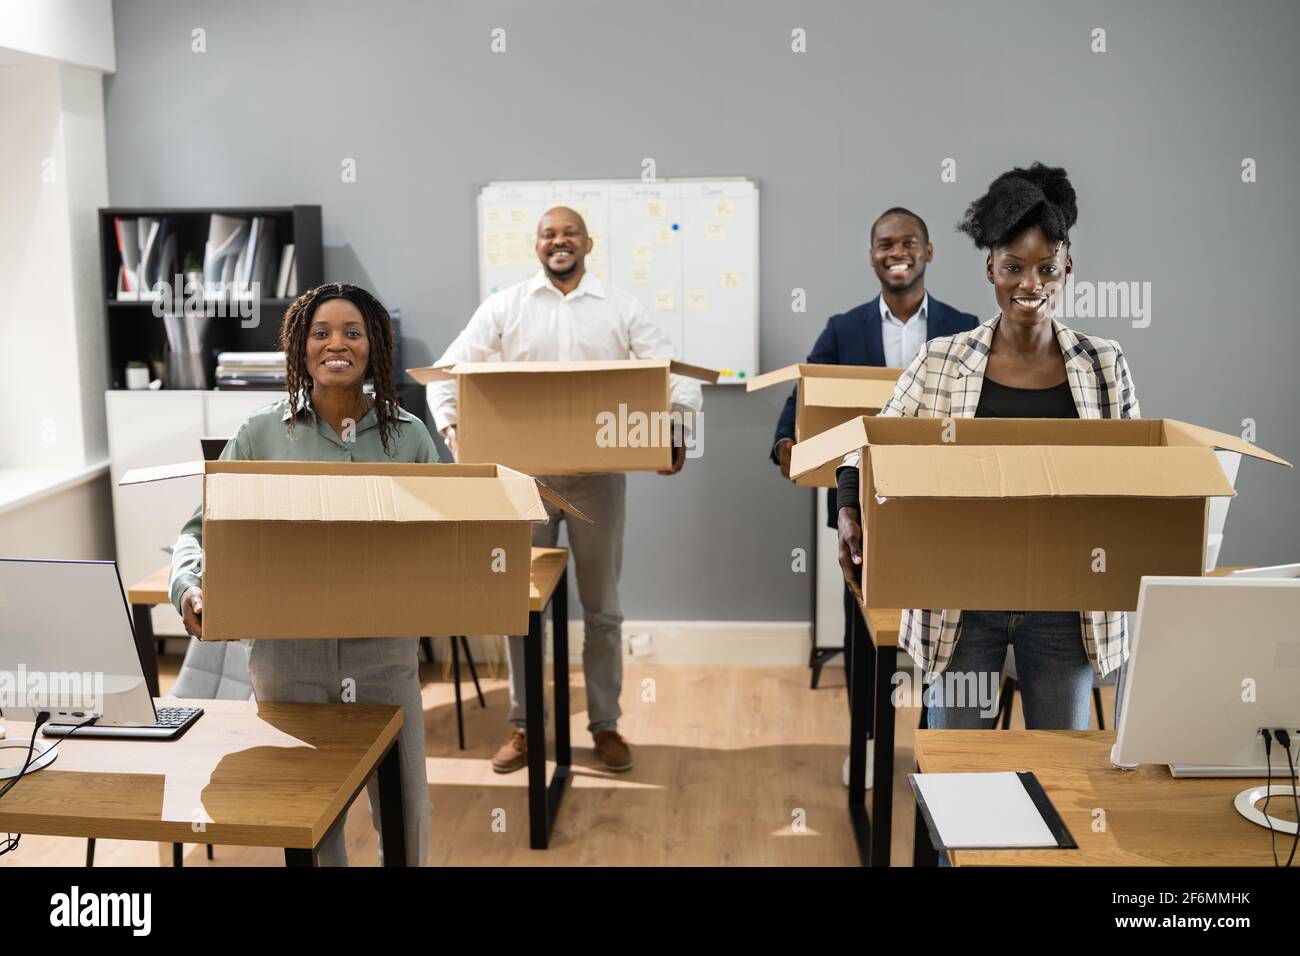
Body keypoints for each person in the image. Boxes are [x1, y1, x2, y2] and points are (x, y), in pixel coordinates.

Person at [836, 163, 1141, 731]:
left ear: (1068, 269)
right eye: (1014, 268)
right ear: (990, 270)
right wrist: (849, 508)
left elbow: (1137, 475)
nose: (1031, 284)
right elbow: (868, 443)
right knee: (957, 769)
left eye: (1047, 269)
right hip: (961, 599)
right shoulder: (941, 360)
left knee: (1061, 769)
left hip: (1064, 602)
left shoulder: (1103, 364)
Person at [427, 207, 703, 774]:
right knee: (521, 605)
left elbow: (670, 371)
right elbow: (447, 370)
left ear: (587, 243)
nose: (560, 242)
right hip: (524, 481)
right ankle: (526, 726)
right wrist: (455, 431)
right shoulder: (506, 305)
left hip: (599, 480)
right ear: (536, 246)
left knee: (603, 609)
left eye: (569, 233)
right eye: (549, 234)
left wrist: (677, 428)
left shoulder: (620, 307)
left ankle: (605, 726)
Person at [169, 283, 436, 866]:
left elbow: (444, 536)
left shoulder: (410, 436)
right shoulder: (261, 434)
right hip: (286, 656)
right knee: (310, 814)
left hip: (383, 653)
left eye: (352, 332)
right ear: (300, 346)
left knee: (408, 809)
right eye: (320, 333)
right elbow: (199, 531)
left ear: (374, 347)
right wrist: (189, 587)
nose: (335, 343)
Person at [770, 207, 977, 786]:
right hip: (860, 496)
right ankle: (865, 740)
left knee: (948, 625)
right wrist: (786, 438)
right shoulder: (844, 327)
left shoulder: (965, 327)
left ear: (929, 252)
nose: (897, 252)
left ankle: (942, 745)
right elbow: (808, 390)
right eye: (885, 244)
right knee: (863, 625)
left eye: (908, 242)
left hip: (943, 498)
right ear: (872, 255)